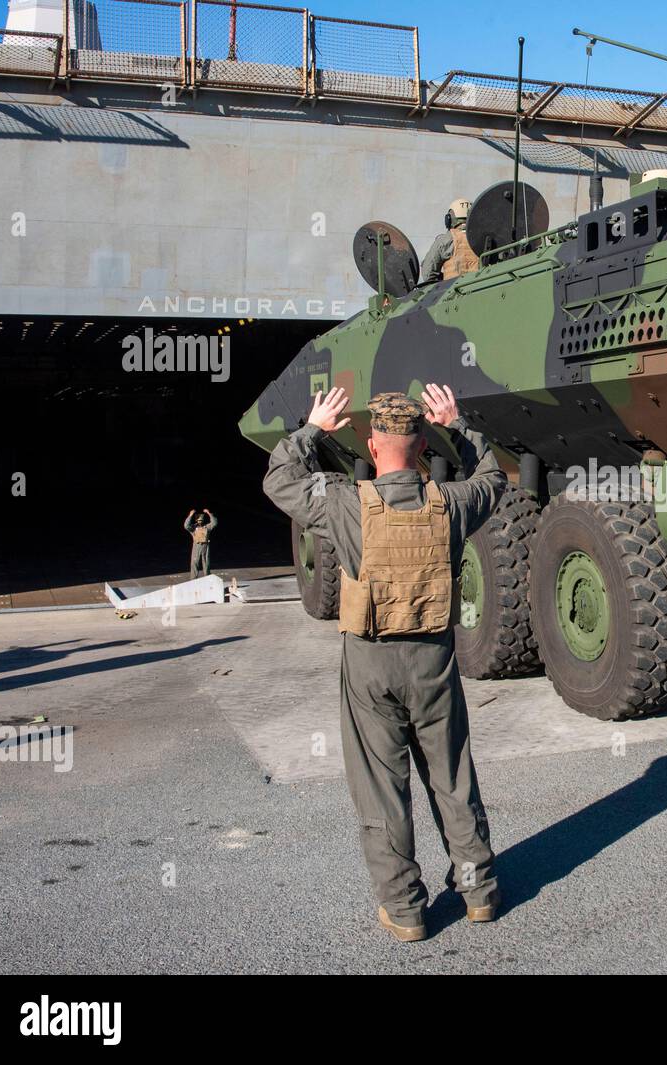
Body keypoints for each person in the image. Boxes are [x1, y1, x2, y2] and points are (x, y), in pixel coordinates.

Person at [262, 384, 506, 943]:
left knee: (381, 785)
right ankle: (479, 890)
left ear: (373, 446)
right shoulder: (450, 503)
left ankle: (406, 908)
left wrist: (313, 430)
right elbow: (492, 479)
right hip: (434, 662)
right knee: (451, 774)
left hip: (370, 663)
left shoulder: (348, 503)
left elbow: (279, 479)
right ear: (421, 445)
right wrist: (460, 425)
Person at [418, 199, 479, 284]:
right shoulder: (485, 238)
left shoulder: (445, 240)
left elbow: (428, 274)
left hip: (455, 293)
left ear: (449, 219)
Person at [184, 508, 217, 578]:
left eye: (201, 520)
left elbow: (214, 523)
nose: (200, 521)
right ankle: (193, 579)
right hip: (197, 546)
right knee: (194, 562)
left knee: (206, 563)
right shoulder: (193, 528)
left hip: (205, 546)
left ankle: (207, 577)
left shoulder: (207, 527)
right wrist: (190, 515)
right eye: (198, 520)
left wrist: (208, 513)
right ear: (196, 520)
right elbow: (186, 526)